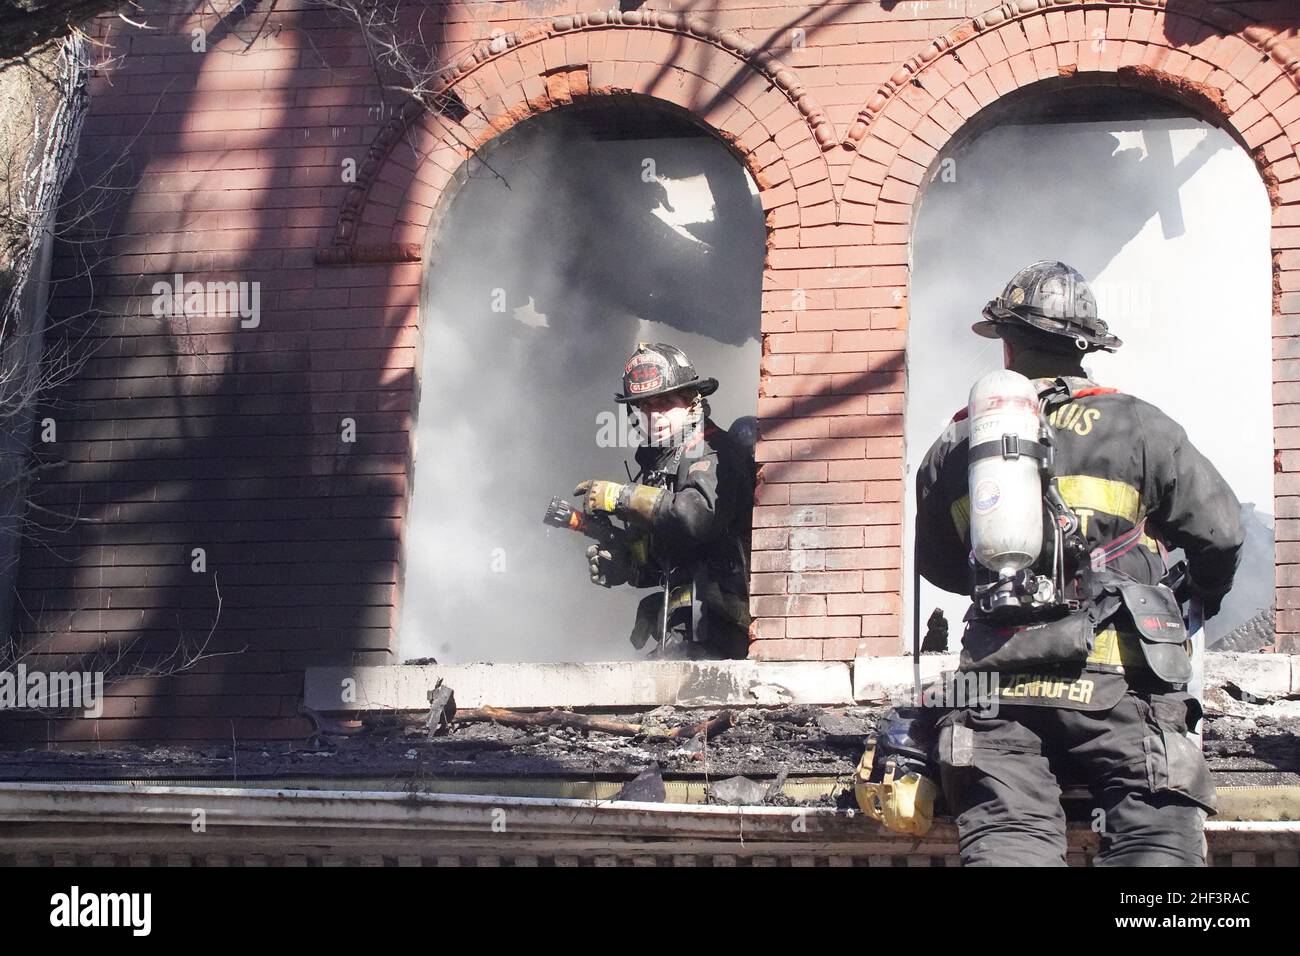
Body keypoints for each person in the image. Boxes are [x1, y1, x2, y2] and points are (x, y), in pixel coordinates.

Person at [914, 260, 1243, 865]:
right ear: (1087, 345)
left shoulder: (955, 446)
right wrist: (1193, 601)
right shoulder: (1139, 425)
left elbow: (940, 568)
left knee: (1008, 840)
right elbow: (1220, 533)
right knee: (1154, 834)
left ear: (1006, 345)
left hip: (997, 690)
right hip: (1119, 687)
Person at [574, 343, 755, 659]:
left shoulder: (713, 450)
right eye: (645, 406)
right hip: (684, 630)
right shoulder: (661, 467)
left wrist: (621, 497)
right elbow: (663, 563)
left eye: (666, 402)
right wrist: (624, 566)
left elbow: (698, 516)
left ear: (691, 401)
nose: (654, 415)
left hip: (723, 631)